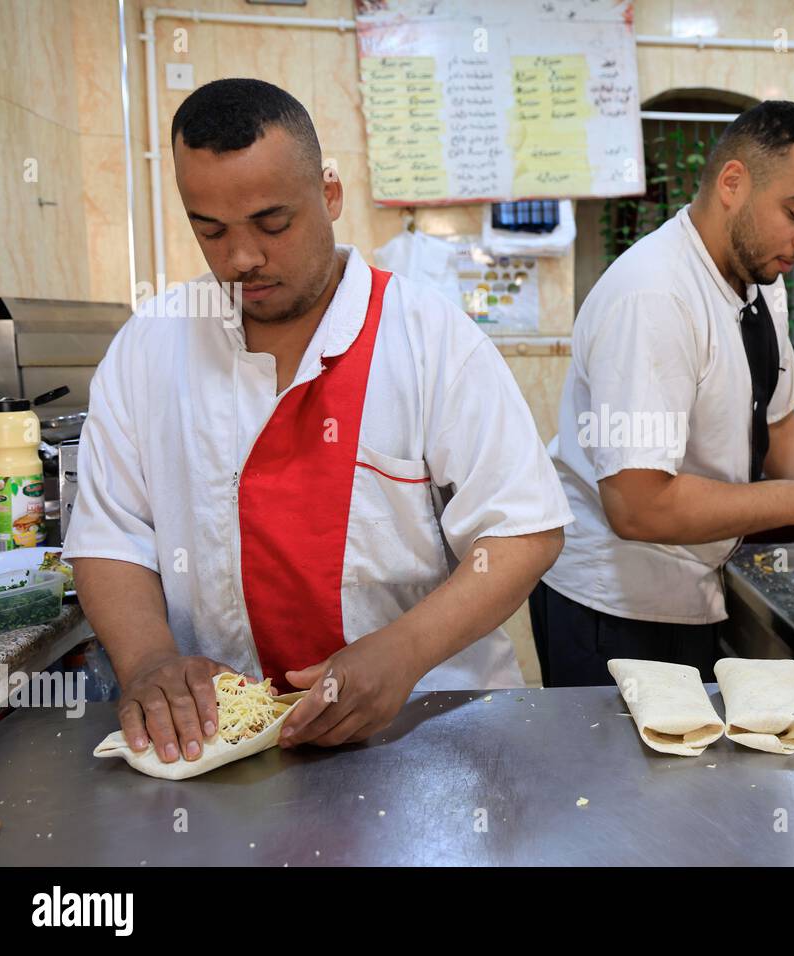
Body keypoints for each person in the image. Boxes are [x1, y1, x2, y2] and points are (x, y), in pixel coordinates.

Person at [64, 79, 572, 763]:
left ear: (329, 196)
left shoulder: (427, 338)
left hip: (428, 728)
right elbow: (111, 536)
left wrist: (403, 651)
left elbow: (522, 530)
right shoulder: (150, 347)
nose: (241, 258)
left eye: (273, 223)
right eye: (210, 230)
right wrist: (149, 659)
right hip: (224, 747)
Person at [531, 100, 794, 687]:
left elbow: (780, 427)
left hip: (688, 583)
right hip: (613, 607)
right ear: (733, 182)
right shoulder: (655, 295)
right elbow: (639, 505)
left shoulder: (758, 277)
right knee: (625, 777)